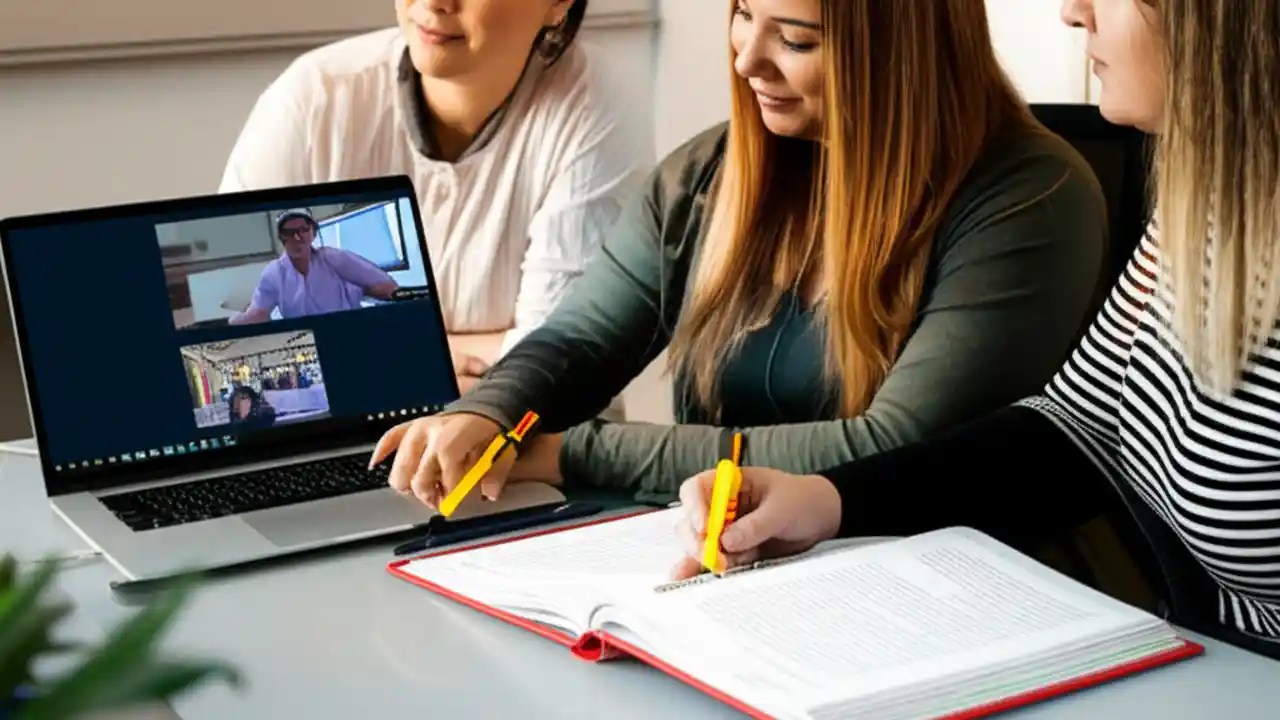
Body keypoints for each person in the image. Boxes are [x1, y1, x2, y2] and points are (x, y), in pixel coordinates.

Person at [668, 0, 1280, 661]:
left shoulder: (1039, 188)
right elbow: (1075, 428)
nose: (1075, 14)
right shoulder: (1213, 208)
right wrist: (827, 502)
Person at [371, 0, 1113, 508]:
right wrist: (489, 412)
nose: (748, 60)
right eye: (742, 15)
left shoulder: (1030, 199)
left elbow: (895, 448)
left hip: (925, 587)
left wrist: (567, 453)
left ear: (900, 54)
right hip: (727, 562)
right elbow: (582, 339)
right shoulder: (708, 176)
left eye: (796, 40)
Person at [219, 0, 636, 391]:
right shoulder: (314, 97)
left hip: (527, 438)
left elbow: (559, 359)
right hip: (347, 429)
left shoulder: (594, 102)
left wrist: (356, 349)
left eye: (301, 231)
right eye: (289, 233)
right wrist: (446, 353)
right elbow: (251, 346)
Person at [229, 209, 400, 324]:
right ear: (282, 238)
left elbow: (387, 286)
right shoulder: (273, 274)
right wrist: (232, 323)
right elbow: (258, 313)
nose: (298, 238)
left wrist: (366, 293)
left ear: (313, 232)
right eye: (289, 233)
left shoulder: (334, 258)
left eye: (303, 230)